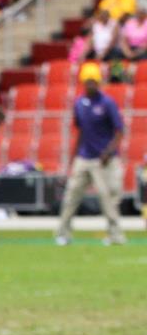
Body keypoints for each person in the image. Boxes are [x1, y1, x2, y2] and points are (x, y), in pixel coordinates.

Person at [56, 65, 126, 246]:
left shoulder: (107, 103)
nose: (90, 85)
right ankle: (63, 233)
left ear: (98, 82)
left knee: (107, 198)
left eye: (93, 82)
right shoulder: (79, 103)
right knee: (72, 196)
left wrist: (108, 152)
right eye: (87, 82)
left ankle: (115, 234)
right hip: (84, 157)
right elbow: (80, 132)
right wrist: (73, 159)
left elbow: (119, 130)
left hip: (104, 160)